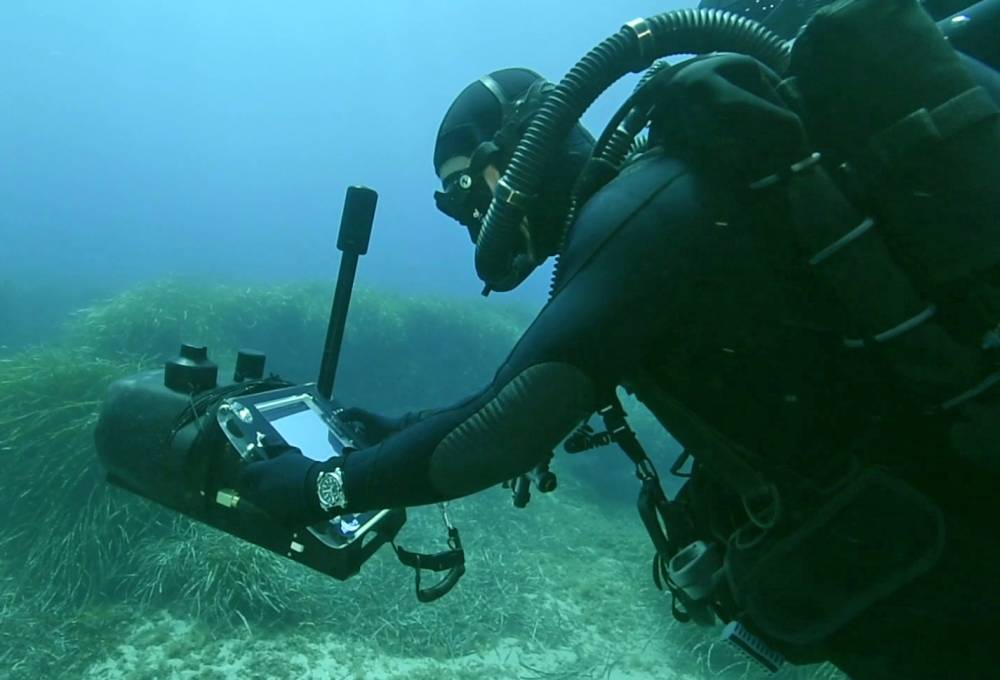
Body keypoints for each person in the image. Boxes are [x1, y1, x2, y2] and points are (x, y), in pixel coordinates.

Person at [242, 1, 1000, 677]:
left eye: (462, 194)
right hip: (951, 490)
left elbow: (497, 431)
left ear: (506, 162)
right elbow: (543, 384)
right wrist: (390, 434)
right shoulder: (662, 194)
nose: (473, 224)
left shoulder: (633, 216)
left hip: (955, 557)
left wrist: (316, 489)